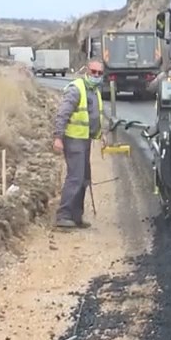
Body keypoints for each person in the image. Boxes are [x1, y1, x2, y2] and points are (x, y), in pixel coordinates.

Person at [52, 60, 108, 229]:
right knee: (75, 177)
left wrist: (101, 133)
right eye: (93, 71)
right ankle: (64, 215)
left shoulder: (94, 91)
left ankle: (76, 216)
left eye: (99, 73)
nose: (96, 75)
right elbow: (63, 113)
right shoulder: (76, 88)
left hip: (85, 140)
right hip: (73, 139)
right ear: (86, 70)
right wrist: (58, 137)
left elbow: (95, 115)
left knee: (84, 178)